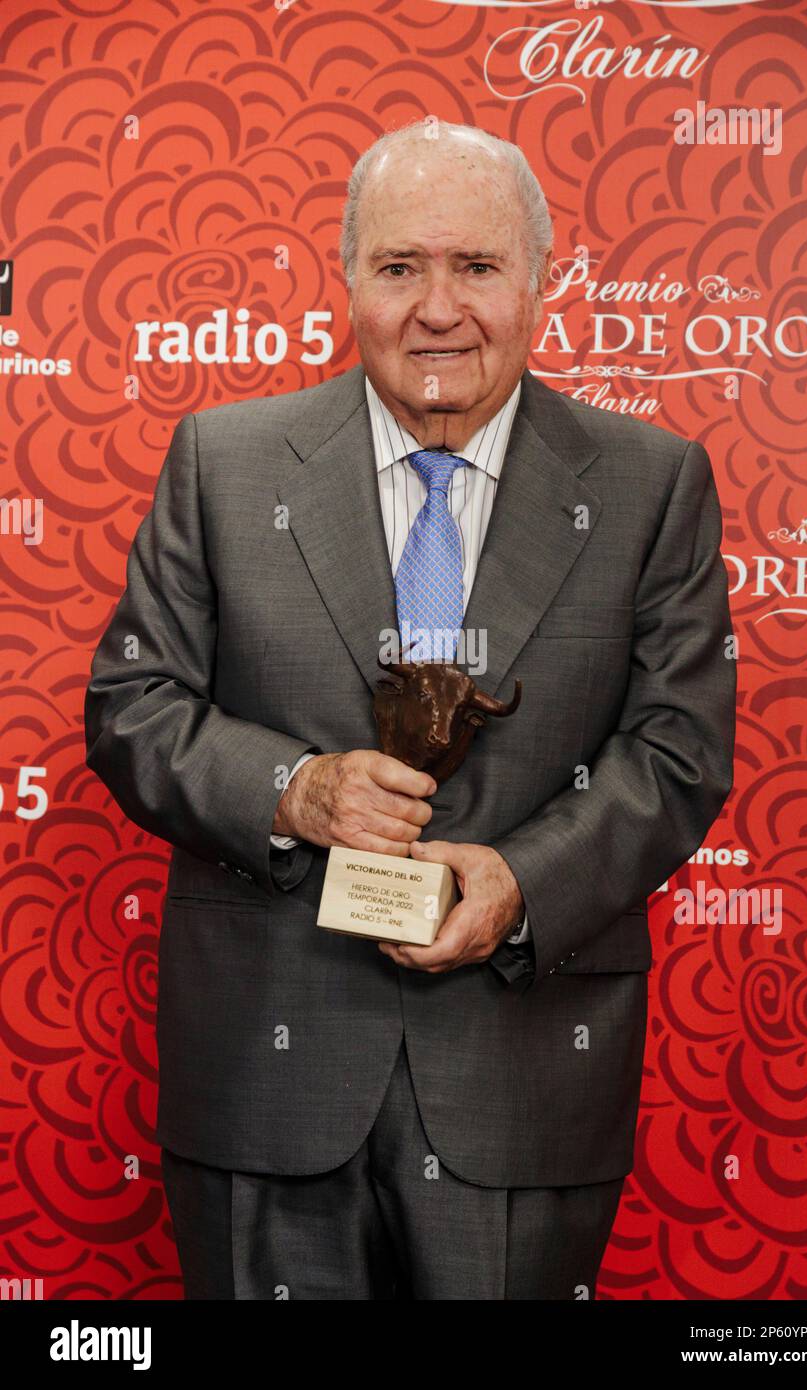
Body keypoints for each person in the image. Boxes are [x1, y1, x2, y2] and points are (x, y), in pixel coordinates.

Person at [84, 119, 736, 1300]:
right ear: (348, 280)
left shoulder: (650, 486)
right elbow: (132, 702)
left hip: (519, 1084)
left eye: (476, 267)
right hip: (266, 1082)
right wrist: (296, 788)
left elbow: (677, 750)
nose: (437, 309)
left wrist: (522, 882)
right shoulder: (221, 466)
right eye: (399, 269)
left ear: (538, 282)